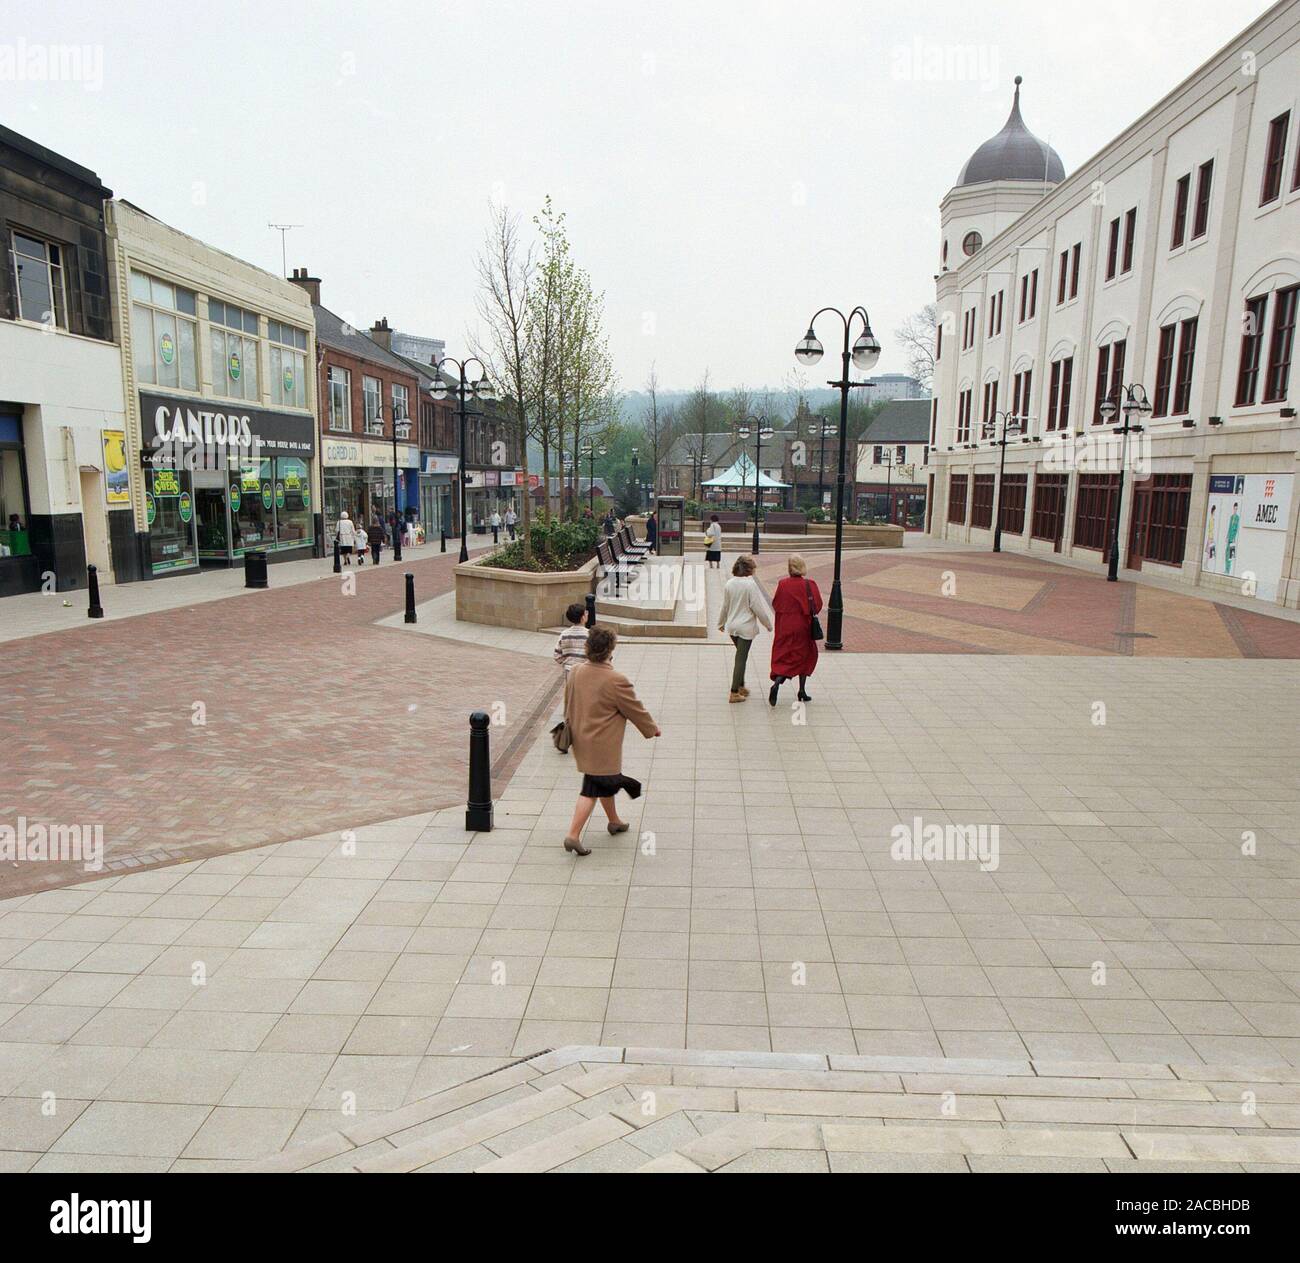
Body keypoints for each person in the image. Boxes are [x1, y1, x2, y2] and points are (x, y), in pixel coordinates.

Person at [562, 627, 660, 855]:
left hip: (581, 738)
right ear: (610, 650)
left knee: (601, 780)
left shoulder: (576, 671)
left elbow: (568, 702)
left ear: (588, 648)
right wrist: (651, 729)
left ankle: (614, 821)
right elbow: (634, 709)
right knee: (592, 788)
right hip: (602, 744)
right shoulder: (615, 679)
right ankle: (573, 835)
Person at [769, 554, 823, 707]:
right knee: (805, 655)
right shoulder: (809, 584)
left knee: (785, 654)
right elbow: (817, 605)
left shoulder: (782, 584)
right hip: (803, 625)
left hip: (785, 625)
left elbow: (776, 604)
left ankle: (777, 682)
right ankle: (802, 690)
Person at [718, 554, 771, 703]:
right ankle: (734, 692)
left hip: (733, 627)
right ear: (749, 570)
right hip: (746, 628)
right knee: (741, 659)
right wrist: (768, 624)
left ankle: (741, 686)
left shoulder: (729, 583)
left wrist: (720, 623)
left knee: (741, 656)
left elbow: (725, 606)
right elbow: (757, 607)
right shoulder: (750, 584)